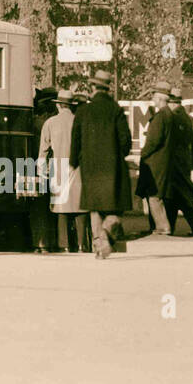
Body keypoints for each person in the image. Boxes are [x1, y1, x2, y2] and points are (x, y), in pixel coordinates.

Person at [70, 69, 132, 259]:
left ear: (93, 87)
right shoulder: (116, 110)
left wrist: (74, 162)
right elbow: (125, 142)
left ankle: (99, 244)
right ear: (107, 89)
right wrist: (116, 155)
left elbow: (76, 140)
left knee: (94, 207)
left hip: (90, 167)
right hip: (112, 167)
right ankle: (106, 231)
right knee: (114, 208)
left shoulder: (83, 111)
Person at [41, 89, 89, 253]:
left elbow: (44, 151)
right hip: (77, 167)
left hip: (58, 167)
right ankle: (83, 244)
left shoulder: (50, 123)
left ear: (59, 105)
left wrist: (42, 171)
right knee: (79, 206)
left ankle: (65, 244)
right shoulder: (80, 121)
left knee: (61, 207)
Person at [165, 86, 193, 236]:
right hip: (185, 162)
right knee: (180, 196)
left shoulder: (172, 118)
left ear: (172, 102)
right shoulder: (189, 119)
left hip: (173, 163)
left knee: (178, 197)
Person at [135, 80, 176, 235]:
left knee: (154, 195)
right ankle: (158, 227)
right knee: (157, 195)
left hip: (155, 163)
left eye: (154, 97)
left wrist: (142, 154)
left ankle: (163, 227)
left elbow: (153, 141)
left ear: (159, 99)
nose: (153, 100)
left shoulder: (160, 117)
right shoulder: (170, 115)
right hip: (164, 162)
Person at [29, 87, 59, 253]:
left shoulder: (39, 123)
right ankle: (52, 242)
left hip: (39, 168)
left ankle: (41, 243)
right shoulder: (52, 121)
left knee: (39, 208)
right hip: (55, 169)